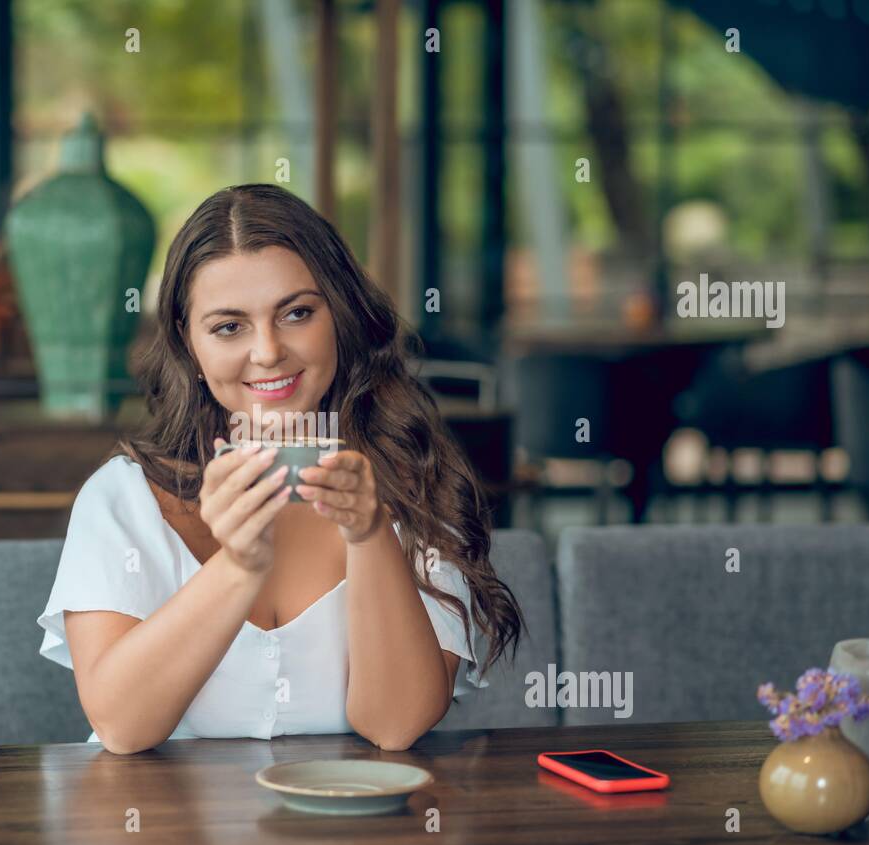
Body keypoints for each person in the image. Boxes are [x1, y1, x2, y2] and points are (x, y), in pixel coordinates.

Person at [37, 183, 523, 753]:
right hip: (158, 834)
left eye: (296, 313)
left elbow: (395, 725)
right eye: (228, 326)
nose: (268, 351)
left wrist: (370, 536)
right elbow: (123, 727)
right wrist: (240, 565)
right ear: (188, 346)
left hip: (352, 834)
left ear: (338, 316)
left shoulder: (412, 482)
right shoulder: (123, 499)